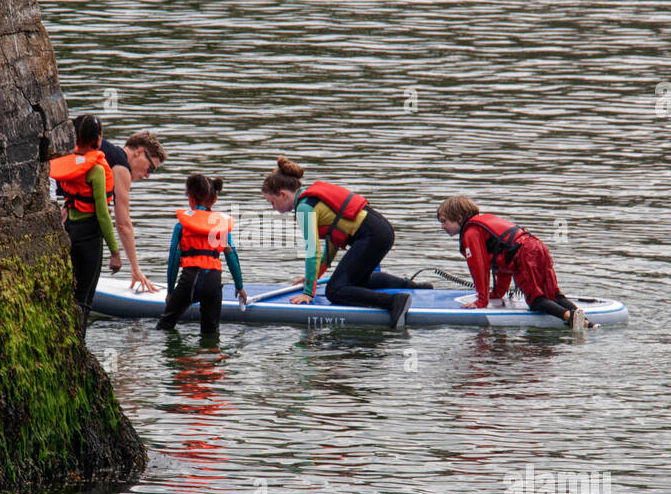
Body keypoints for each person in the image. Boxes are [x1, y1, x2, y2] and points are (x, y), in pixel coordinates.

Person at [260, 157, 426, 329]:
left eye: (272, 202)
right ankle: (413, 287)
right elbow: (333, 241)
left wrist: (308, 292)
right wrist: (315, 276)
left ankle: (394, 301)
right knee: (358, 281)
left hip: (372, 235)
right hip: (382, 231)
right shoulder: (310, 199)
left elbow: (312, 252)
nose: (273, 208)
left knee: (335, 291)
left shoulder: (304, 208)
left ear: (283, 194)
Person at [435, 196, 592, 330]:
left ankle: (570, 318)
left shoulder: (471, 232)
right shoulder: (481, 224)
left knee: (536, 300)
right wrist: (498, 293)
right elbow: (502, 263)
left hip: (525, 254)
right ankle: (587, 321)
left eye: (444, 221)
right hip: (537, 246)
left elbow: (479, 267)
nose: (442, 227)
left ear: (459, 218)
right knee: (553, 294)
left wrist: (482, 300)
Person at [49, 114, 120, 335]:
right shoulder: (96, 169)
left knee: (70, 293)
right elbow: (102, 215)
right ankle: (78, 345)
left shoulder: (70, 164)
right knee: (85, 300)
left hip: (70, 230)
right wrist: (115, 252)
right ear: (97, 140)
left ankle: (64, 338)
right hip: (90, 237)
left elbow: (68, 201)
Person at [157, 175, 246, 338]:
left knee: (165, 325)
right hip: (213, 281)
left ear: (190, 199)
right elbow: (232, 256)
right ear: (215, 199)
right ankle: (209, 361)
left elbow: (174, 260)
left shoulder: (182, 225)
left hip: (190, 280)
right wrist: (239, 286)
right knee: (211, 333)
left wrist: (170, 292)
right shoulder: (220, 225)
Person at [98, 129, 167, 294]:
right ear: (139, 152)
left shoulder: (109, 155)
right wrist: (136, 269)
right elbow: (123, 223)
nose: (148, 175)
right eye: (151, 168)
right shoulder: (121, 165)